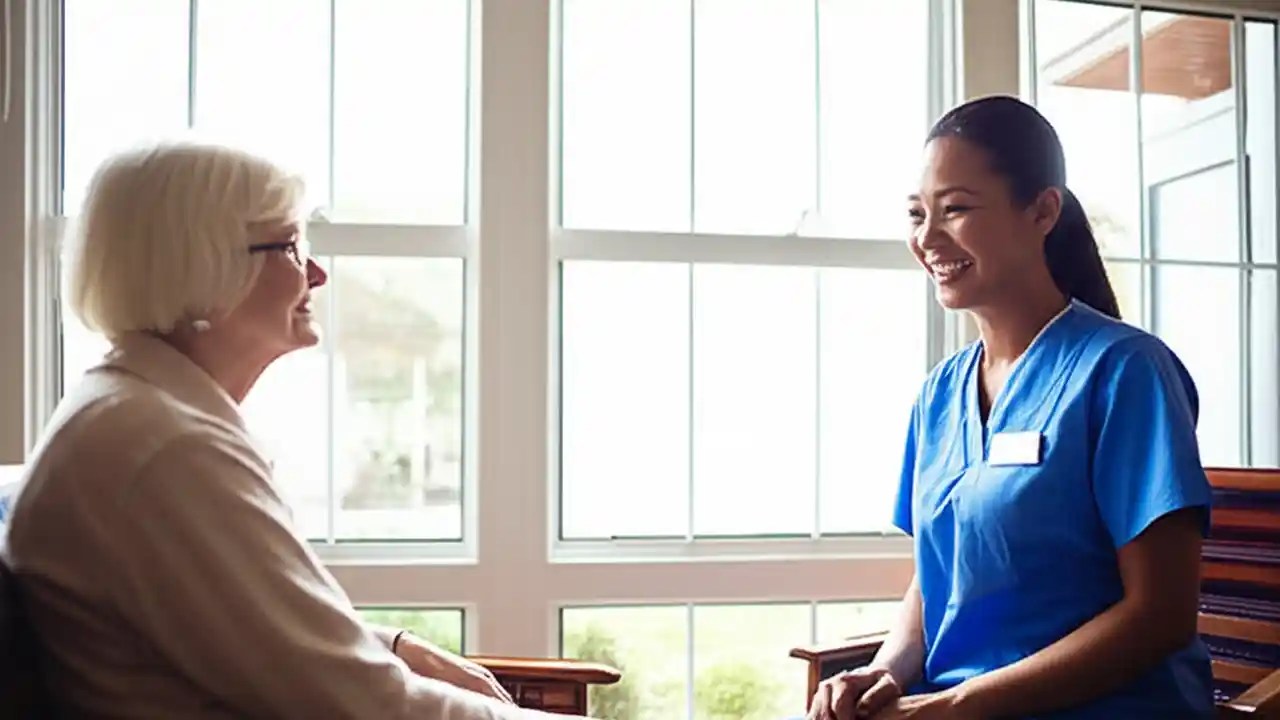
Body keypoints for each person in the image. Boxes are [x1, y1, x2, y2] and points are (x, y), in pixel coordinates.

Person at [4, 141, 595, 720]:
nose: (316, 273)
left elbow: (248, 628)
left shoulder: (134, 412)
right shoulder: (167, 450)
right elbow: (367, 705)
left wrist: (395, 646)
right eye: (289, 247)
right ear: (204, 264)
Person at [808, 96, 1213, 719]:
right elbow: (938, 580)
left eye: (956, 209)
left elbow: (1159, 616)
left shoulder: (1125, 372)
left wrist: (954, 706)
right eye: (918, 213)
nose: (927, 237)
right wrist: (885, 672)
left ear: (1043, 211)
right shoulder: (938, 397)